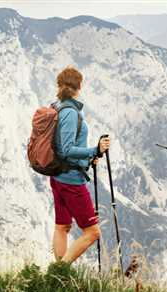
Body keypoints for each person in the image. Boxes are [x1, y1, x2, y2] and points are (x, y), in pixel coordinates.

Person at [50, 66, 111, 263]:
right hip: (71, 181)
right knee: (92, 232)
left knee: (62, 226)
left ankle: (58, 276)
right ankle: (59, 272)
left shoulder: (58, 107)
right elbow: (67, 149)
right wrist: (95, 150)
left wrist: (87, 159)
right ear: (79, 86)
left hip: (59, 176)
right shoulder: (69, 112)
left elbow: (63, 147)